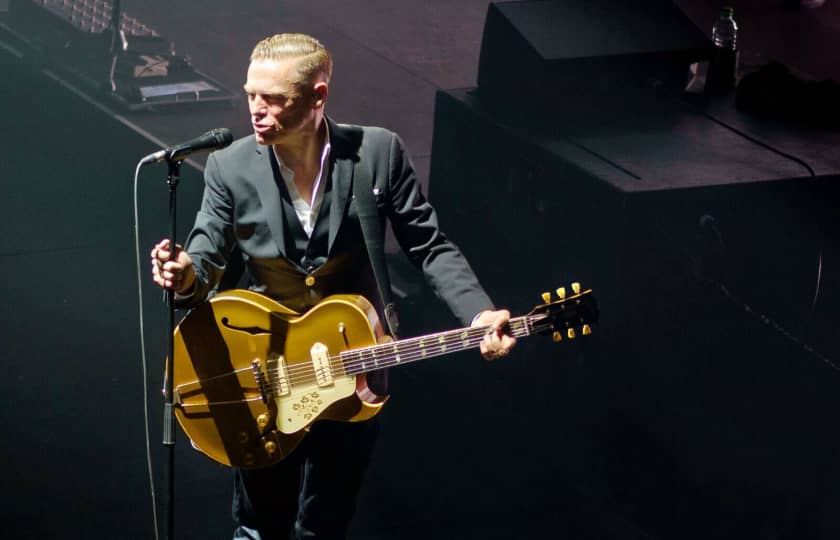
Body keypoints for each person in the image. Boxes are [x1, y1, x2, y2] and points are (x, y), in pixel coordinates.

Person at [150, 33, 515, 539]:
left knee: (326, 521)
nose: (255, 109)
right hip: (267, 366)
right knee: (259, 526)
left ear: (318, 97)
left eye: (273, 99)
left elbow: (428, 246)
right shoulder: (229, 166)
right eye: (251, 94)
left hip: (355, 362)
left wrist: (478, 314)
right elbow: (206, 253)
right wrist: (184, 273)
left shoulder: (376, 154)